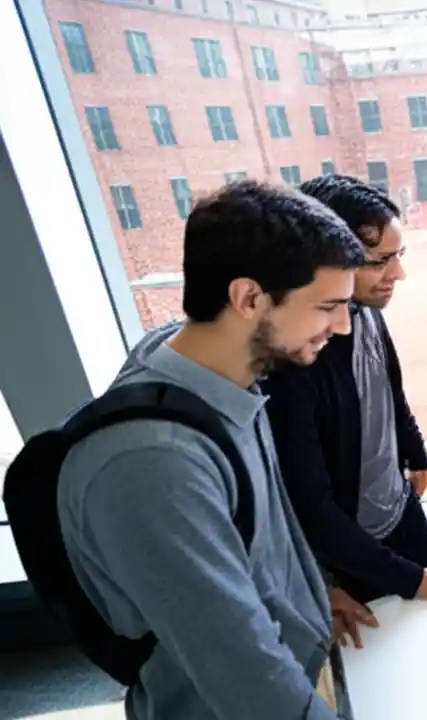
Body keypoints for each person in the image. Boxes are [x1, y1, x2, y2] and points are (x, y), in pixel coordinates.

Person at [56, 181, 365, 719]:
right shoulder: (150, 464)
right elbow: (242, 673)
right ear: (248, 298)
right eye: (328, 306)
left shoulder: (217, 369)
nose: (341, 326)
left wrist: (312, 595)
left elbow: (260, 540)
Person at [263, 175, 427, 617]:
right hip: (348, 545)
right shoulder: (296, 358)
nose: (398, 274)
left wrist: (415, 452)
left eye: (398, 256)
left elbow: (388, 388)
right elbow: (308, 503)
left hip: (397, 507)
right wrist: (334, 579)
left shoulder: (365, 310)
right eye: (380, 261)